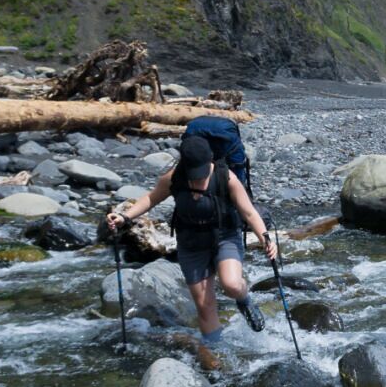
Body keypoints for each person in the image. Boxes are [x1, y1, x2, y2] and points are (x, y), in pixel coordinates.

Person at [106, 135, 277, 349]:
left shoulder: (226, 178)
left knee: (232, 284)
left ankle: (244, 300)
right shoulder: (173, 178)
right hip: (191, 243)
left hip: (224, 237)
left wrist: (266, 239)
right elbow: (151, 199)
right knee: (205, 305)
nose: (198, 181)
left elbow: (249, 213)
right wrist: (125, 217)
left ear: (210, 162)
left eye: (202, 175)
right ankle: (217, 353)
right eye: (194, 176)